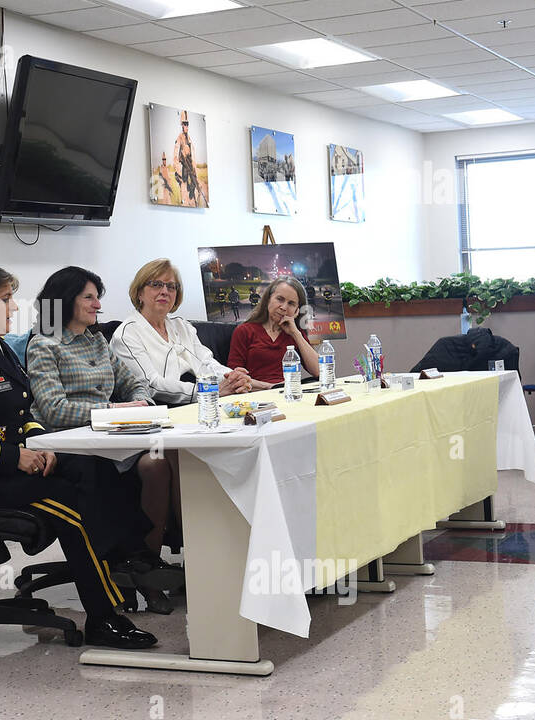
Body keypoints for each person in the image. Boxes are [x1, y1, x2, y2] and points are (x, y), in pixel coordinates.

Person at [0, 263, 156, 649]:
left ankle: (132, 558)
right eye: (4, 300)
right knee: (72, 508)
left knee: (87, 470)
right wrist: (16, 458)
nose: (14, 309)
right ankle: (104, 616)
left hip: (3, 469)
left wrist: (39, 445)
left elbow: (24, 413)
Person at [26, 266, 185, 613]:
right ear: (65, 300)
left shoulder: (96, 340)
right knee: (111, 475)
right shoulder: (43, 344)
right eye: (89, 297)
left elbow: (135, 383)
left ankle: (147, 564)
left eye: (99, 297)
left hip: (113, 435)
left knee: (162, 461)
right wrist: (112, 409)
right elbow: (53, 410)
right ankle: (129, 568)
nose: (98, 305)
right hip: (70, 444)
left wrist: (140, 401)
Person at [110, 258, 250, 405]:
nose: (164, 291)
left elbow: (207, 362)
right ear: (139, 293)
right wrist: (211, 390)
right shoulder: (127, 334)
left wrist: (232, 377)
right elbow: (151, 385)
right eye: (156, 285)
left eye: (171, 287)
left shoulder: (182, 326)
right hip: (166, 408)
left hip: (207, 402)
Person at [227, 275, 320, 389]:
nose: (284, 307)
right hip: (256, 396)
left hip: (289, 395)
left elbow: (319, 371)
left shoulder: (295, 333)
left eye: (291, 303)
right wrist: (271, 387)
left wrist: (295, 333)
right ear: (268, 299)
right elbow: (233, 378)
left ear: (297, 310)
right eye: (280, 299)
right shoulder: (244, 331)